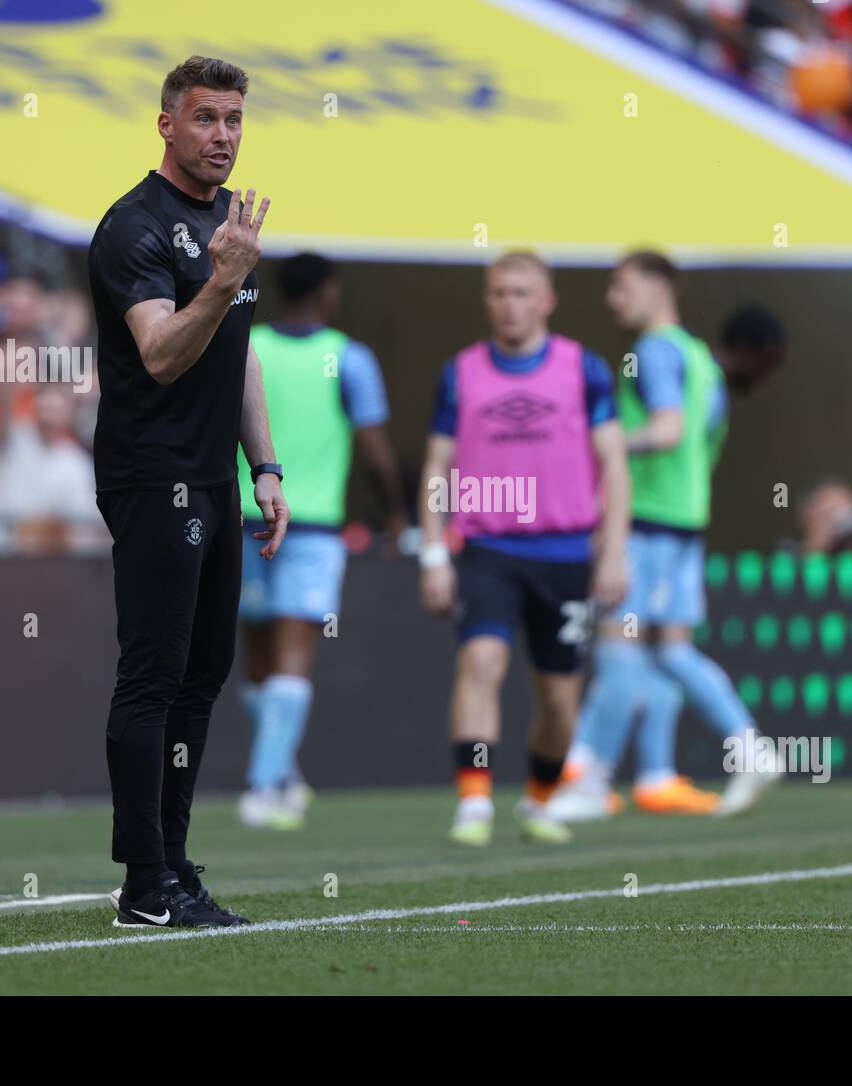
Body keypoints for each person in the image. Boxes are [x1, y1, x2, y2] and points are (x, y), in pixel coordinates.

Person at [88, 55, 289, 929]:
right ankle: (143, 883)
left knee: (202, 677)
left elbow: (235, 357)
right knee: (153, 677)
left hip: (213, 479)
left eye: (235, 120)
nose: (223, 137)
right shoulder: (132, 227)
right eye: (206, 119)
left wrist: (266, 467)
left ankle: (174, 868)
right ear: (167, 124)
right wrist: (222, 279)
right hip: (151, 476)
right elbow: (163, 354)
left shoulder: (229, 226)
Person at [552, 254, 786, 822]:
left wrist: (594, 445)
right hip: (684, 523)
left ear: (657, 286)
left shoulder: (653, 351)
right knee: (671, 650)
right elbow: (698, 442)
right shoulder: (700, 360)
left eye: (620, 285)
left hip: (647, 521)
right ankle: (746, 749)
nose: (612, 298)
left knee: (617, 648)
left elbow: (667, 429)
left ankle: (589, 780)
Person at [418, 250, 629, 847]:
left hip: (565, 555)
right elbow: (438, 465)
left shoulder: (583, 369)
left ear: (546, 301)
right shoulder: (461, 373)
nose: (509, 304)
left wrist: (614, 551)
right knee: (481, 663)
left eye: (521, 293)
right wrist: (434, 552)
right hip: (488, 547)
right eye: (499, 293)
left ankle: (538, 800)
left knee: (560, 700)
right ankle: (475, 801)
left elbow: (614, 463)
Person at [237, 252, 405, 830]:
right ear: (330, 292)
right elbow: (374, 444)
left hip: (243, 516)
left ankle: (278, 776)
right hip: (310, 526)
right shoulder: (350, 358)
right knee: (291, 657)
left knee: (258, 659)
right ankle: (265, 786)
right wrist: (396, 509)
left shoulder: (249, 342)